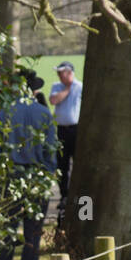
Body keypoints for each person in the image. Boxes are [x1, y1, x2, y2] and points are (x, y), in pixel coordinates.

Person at [0, 69, 58, 260]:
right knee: (33, 236)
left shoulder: (4, 112)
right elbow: (51, 152)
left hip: (9, 179)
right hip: (37, 180)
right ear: (33, 89)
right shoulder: (44, 114)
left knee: (6, 234)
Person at [49, 61, 82, 214]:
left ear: (69, 72)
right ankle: (64, 195)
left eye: (62, 73)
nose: (59, 76)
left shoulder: (80, 87)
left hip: (76, 129)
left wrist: (71, 87)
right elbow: (54, 100)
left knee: (78, 163)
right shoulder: (57, 87)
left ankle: (80, 196)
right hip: (62, 130)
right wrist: (67, 89)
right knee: (62, 164)